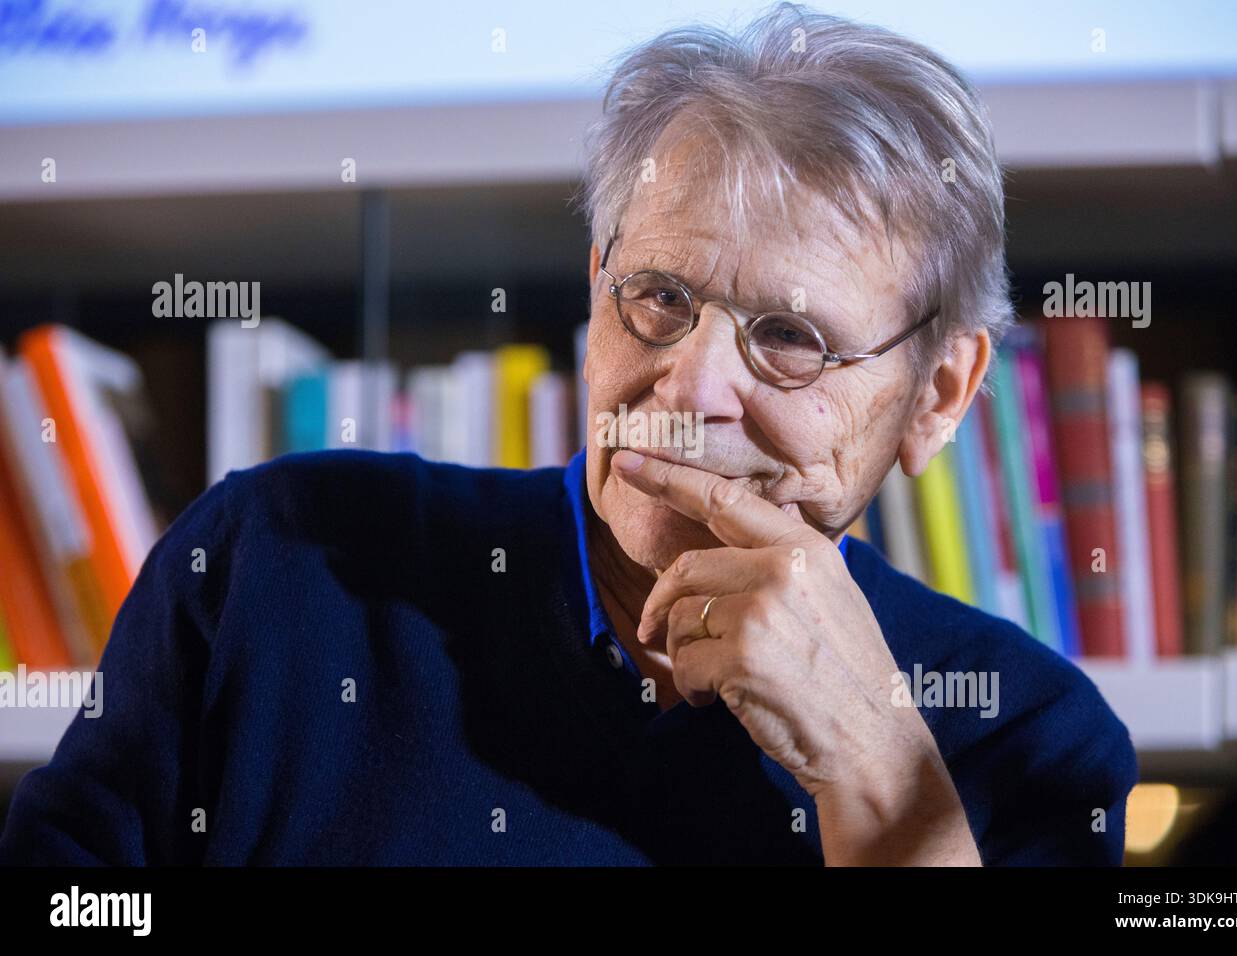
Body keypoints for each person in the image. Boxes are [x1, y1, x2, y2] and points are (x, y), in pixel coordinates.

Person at [0, 3, 1135, 866]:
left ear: (938, 393)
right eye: (658, 297)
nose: (689, 384)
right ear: (594, 288)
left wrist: (878, 774)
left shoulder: (1031, 737)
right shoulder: (276, 559)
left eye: (788, 335)